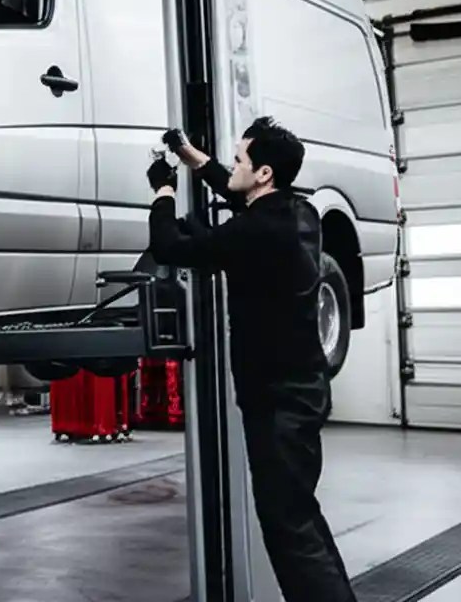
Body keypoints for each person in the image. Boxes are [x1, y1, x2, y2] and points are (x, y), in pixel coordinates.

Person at [146, 117, 356, 602]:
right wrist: (190, 155)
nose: (233, 165)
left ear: (264, 173)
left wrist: (163, 193)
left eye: (240, 158)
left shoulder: (255, 233)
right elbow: (237, 191)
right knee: (300, 518)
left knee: (289, 530)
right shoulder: (299, 214)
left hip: (278, 403)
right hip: (299, 394)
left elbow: (169, 246)